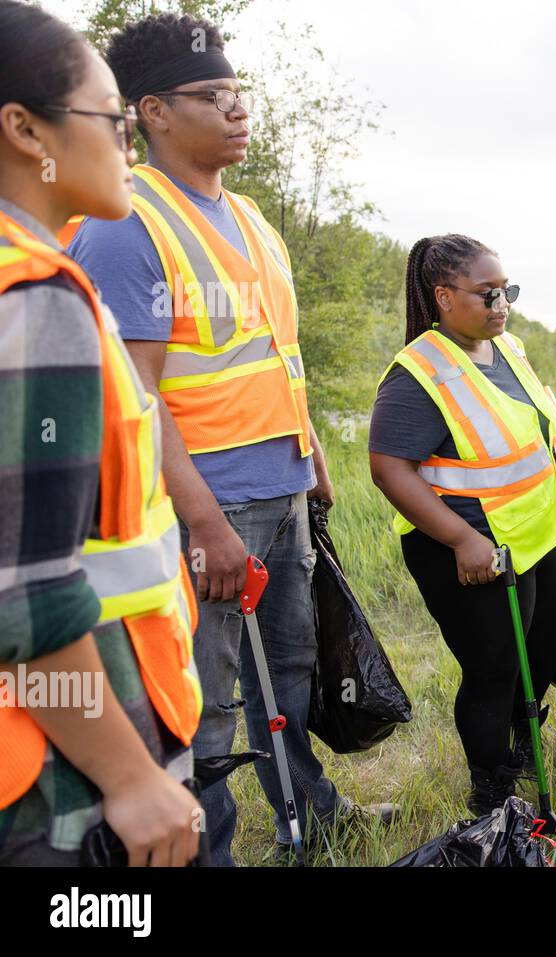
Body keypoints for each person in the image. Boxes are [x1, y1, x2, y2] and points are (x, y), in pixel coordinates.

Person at [66, 12, 394, 865]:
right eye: (214, 96)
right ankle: (207, 847)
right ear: (152, 111)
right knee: (201, 699)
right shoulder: (127, 222)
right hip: (204, 506)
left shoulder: (251, 218)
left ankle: (308, 812)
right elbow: (135, 396)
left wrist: (310, 453)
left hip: (281, 492)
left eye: (240, 93)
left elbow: (275, 353)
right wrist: (204, 521)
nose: (238, 110)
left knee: (289, 672)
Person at [0, 0, 201, 866]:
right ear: (24, 129)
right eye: (112, 117)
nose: (127, 144)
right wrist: (130, 777)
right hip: (61, 777)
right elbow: (25, 589)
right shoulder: (36, 297)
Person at [370, 235, 556, 816]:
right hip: (466, 549)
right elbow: (388, 469)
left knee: (546, 650)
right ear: (443, 296)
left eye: (507, 292)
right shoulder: (419, 372)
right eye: (487, 295)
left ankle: (521, 741)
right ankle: (492, 795)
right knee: (493, 670)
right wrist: (462, 539)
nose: (501, 304)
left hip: (537, 533)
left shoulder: (506, 347)